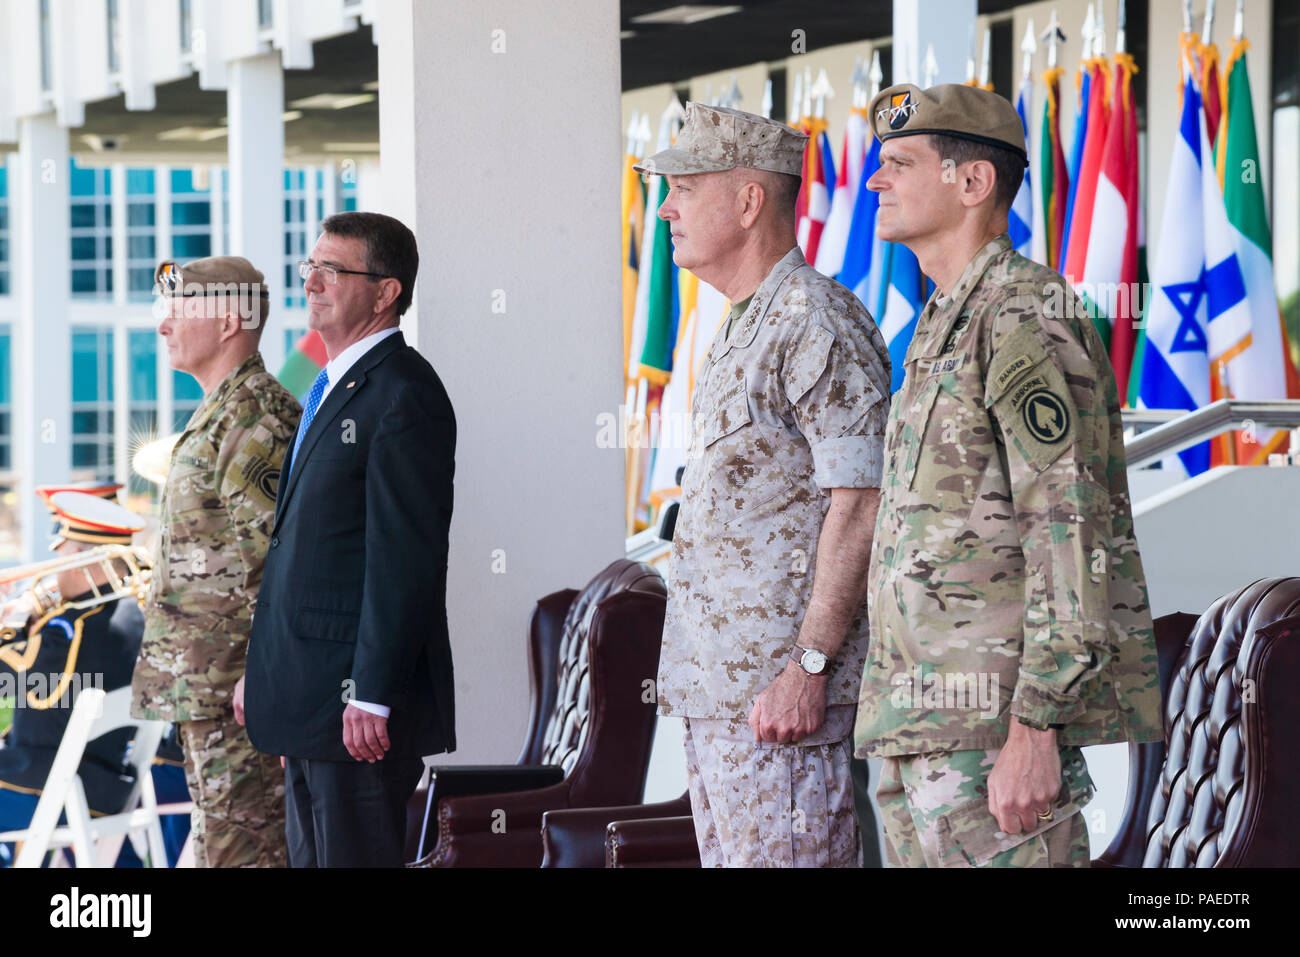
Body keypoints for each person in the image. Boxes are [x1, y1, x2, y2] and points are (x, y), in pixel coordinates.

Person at [852, 83, 1163, 868]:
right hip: (919, 731)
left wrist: (1037, 726)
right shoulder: (939, 320)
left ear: (972, 182)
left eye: (899, 163)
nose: (873, 181)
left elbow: (1069, 529)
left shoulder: (1025, 314)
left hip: (993, 744)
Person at [636, 103, 891, 867]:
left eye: (684, 186)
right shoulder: (745, 321)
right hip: (726, 695)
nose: (667, 207)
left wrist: (809, 665)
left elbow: (864, 498)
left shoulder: (813, 318)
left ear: (749, 201)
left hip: (782, 702)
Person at [240, 211, 456, 868]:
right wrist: (268, 673)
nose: (313, 281)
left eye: (332, 270)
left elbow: (404, 559)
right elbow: (305, 551)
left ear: (386, 291)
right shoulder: (328, 383)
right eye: (310, 266)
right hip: (309, 700)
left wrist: (370, 689)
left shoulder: (403, 392)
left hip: (355, 713)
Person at [131, 255, 300, 868]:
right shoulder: (221, 413)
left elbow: (284, 568)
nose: (163, 324)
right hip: (211, 695)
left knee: (247, 860)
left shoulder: (256, 420)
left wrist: (269, 677)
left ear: (229, 320)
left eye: (179, 309)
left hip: (240, 700)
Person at [0, 490, 185, 866]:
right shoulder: (133, 616)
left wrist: (12, 628)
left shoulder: (74, 627)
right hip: (106, 784)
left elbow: (15, 685)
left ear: (91, 563)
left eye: (63, 551)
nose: (54, 563)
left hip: (51, 788)